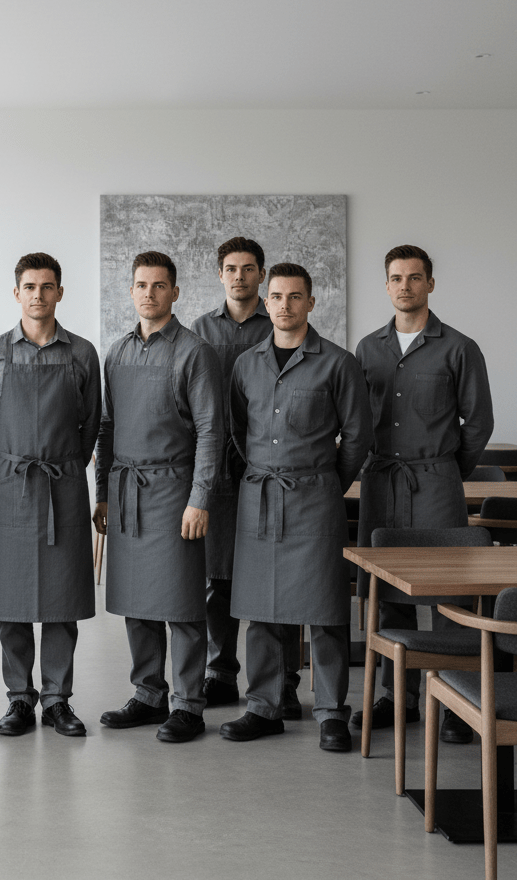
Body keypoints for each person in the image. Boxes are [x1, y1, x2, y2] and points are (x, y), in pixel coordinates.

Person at [220, 263, 372, 752]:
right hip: (259, 497)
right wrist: (266, 470)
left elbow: (357, 437)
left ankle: (330, 712)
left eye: (295, 296)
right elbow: (238, 432)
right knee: (259, 607)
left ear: (311, 302)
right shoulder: (246, 365)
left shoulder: (339, 363)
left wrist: (324, 481)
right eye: (277, 297)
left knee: (325, 609)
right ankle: (263, 707)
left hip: (315, 500)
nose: (285, 305)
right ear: (267, 303)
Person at [350, 244, 493, 743]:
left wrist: (445, 471)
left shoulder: (459, 348)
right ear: (386, 286)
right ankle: (398, 697)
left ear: (430, 284)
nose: (405, 286)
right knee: (386, 592)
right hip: (381, 481)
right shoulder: (367, 350)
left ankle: (455, 700)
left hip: (435, 482)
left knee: (449, 593)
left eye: (414, 277)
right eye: (396, 278)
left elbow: (478, 423)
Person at [95, 252, 224, 742]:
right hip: (127, 491)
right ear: (131, 291)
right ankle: (148, 694)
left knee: (183, 603)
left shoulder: (195, 352)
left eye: (159, 285)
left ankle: (189, 704)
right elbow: (106, 428)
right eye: (141, 285)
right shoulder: (117, 353)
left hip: (175, 492)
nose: (149, 293)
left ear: (175, 292)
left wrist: (200, 498)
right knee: (136, 600)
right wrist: (104, 491)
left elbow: (212, 431)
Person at [0, 252, 101, 737]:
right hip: (12, 485)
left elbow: (91, 424)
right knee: (12, 601)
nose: (39, 295)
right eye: (30, 286)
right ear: (17, 293)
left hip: (63, 483)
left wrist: (66, 463)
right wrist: (12, 463)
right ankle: (19, 699)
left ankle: (58, 699)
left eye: (48, 287)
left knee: (62, 600)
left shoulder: (82, 353)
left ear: (60, 293)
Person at [190, 237, 302, 718]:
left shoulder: (278, 320)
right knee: (219, 579)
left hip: (268, 468)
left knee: (279, 580)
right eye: (231, 268)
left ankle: (286, 680)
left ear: (262, 275)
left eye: (249, 268)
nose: (240, 276)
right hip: (218, 470)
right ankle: (221, 672)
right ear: (220, 275)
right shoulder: (199, 329)